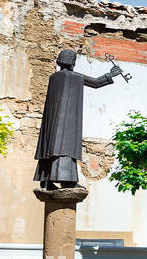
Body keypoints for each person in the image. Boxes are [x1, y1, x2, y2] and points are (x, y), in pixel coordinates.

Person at [33, 49, 122, 189]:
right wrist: (111, 75)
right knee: (65, 146)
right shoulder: (73, 76)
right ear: (72, 62)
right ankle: (67, 181)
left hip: (51, 124)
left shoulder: (53, 77)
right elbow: (95, 82)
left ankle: (47, 181)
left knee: (52, 145)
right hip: (66, 122)